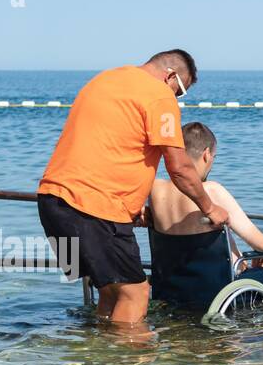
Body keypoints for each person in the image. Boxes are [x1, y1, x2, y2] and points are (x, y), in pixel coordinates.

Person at [37, 49, 229, 324]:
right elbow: (180, 168)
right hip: (93, 208)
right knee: (137, 293)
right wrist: (210, 208)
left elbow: (108, 144)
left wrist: (132, 205)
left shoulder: (104, 80)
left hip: (53, 203)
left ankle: (98, 361)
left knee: (110, 291)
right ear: (170, 76)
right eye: (180, 91)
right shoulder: (159, 94)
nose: (177, 98)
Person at [149, 122, 263, 296]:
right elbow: (261, 243)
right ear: (207, 155)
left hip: (173, 285)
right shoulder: (212, 190)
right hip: (221, 288)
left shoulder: (156, 189)